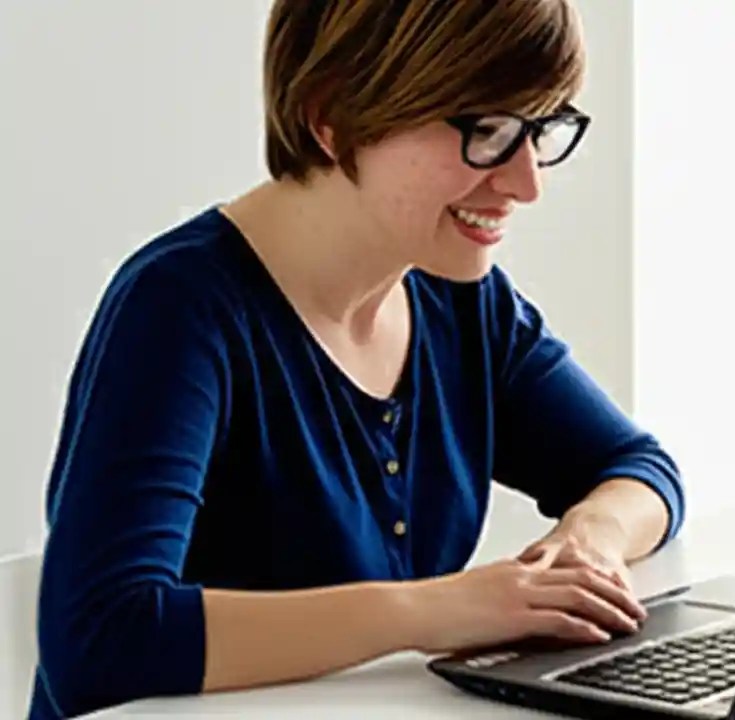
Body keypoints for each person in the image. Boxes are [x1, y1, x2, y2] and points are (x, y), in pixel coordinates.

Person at [28, 1, 685, 717]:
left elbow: (638, 469)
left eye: (540, 128)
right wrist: (434, 611)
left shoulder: (461, 303)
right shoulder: (180, 309)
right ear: (331, 117)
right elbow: (100, 641)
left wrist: (588, 542)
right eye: (486, 131)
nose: (527, 183)